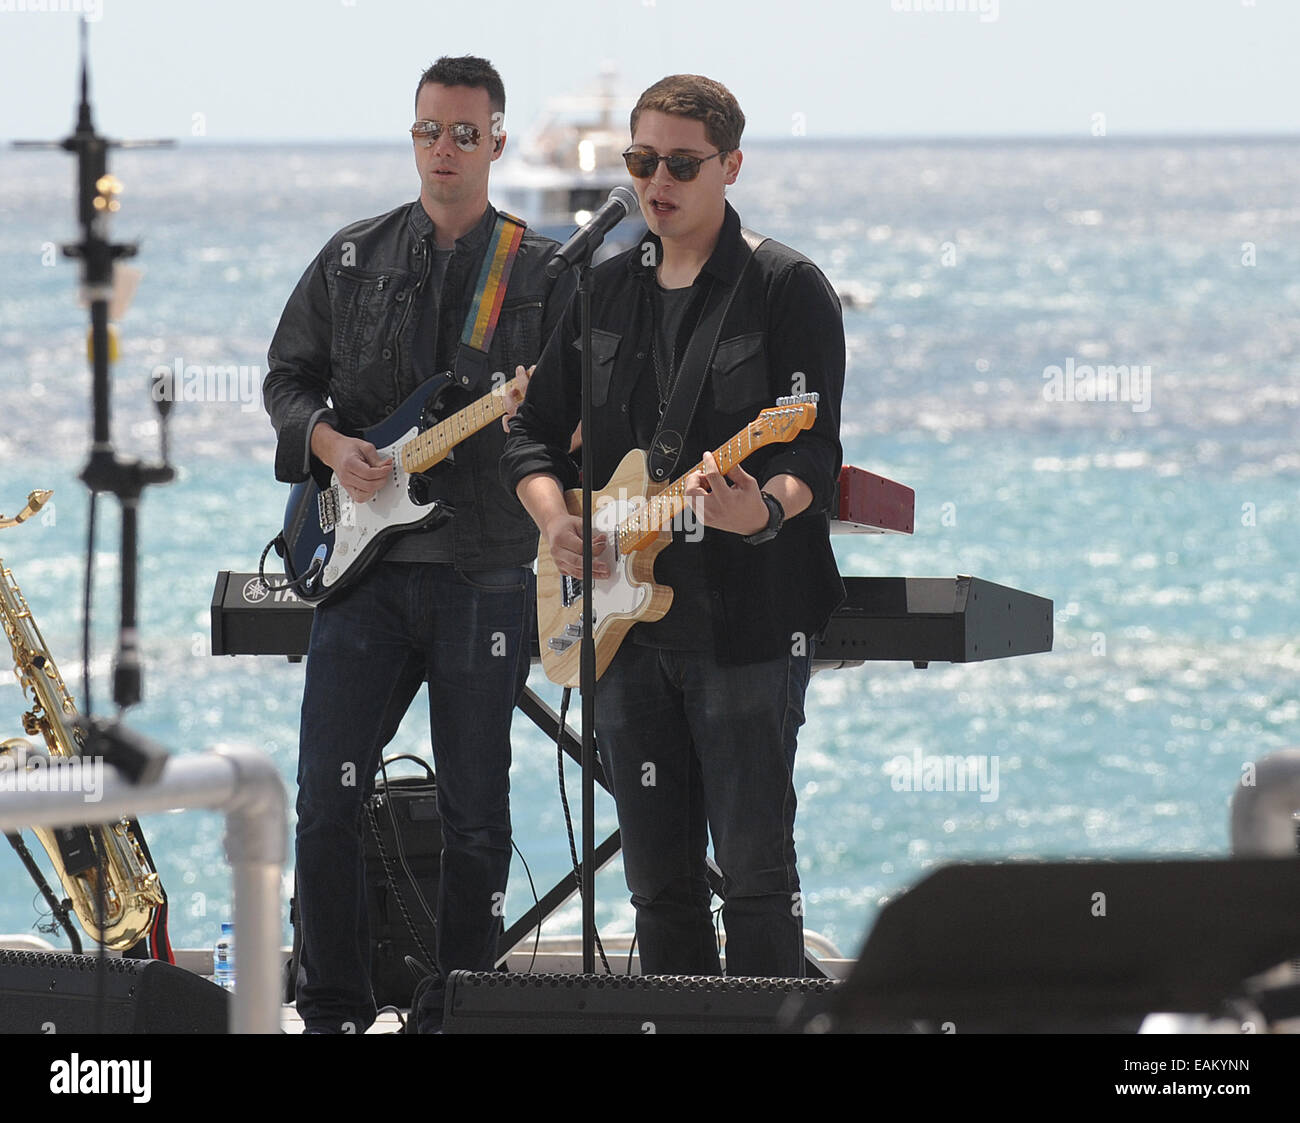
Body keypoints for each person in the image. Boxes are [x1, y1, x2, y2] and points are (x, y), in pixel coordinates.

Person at [503, 74, 845, 978]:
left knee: (756, 877)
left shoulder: (787, 288)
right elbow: (529, 433)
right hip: (618, 622)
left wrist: (762, 507)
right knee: (657, 884)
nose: (658, 181)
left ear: (731, 166)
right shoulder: (601, 289)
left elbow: (814, 453)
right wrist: (554, 518)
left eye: (681, 164)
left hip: (746, 619)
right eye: (642, 160)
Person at [263, 55, 569, 1033]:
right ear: (414, 136)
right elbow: (287, 378)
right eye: (430, 131)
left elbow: (579, 407)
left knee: (478, 809)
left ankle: (455, 1008)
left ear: (497, 143)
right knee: (325, 799)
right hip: (360, 572)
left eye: (465, 134)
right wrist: (327, 442)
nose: (445, 149)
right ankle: (333, 1007)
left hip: (482, 570)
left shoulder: (543, 270)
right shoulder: (352, 256)